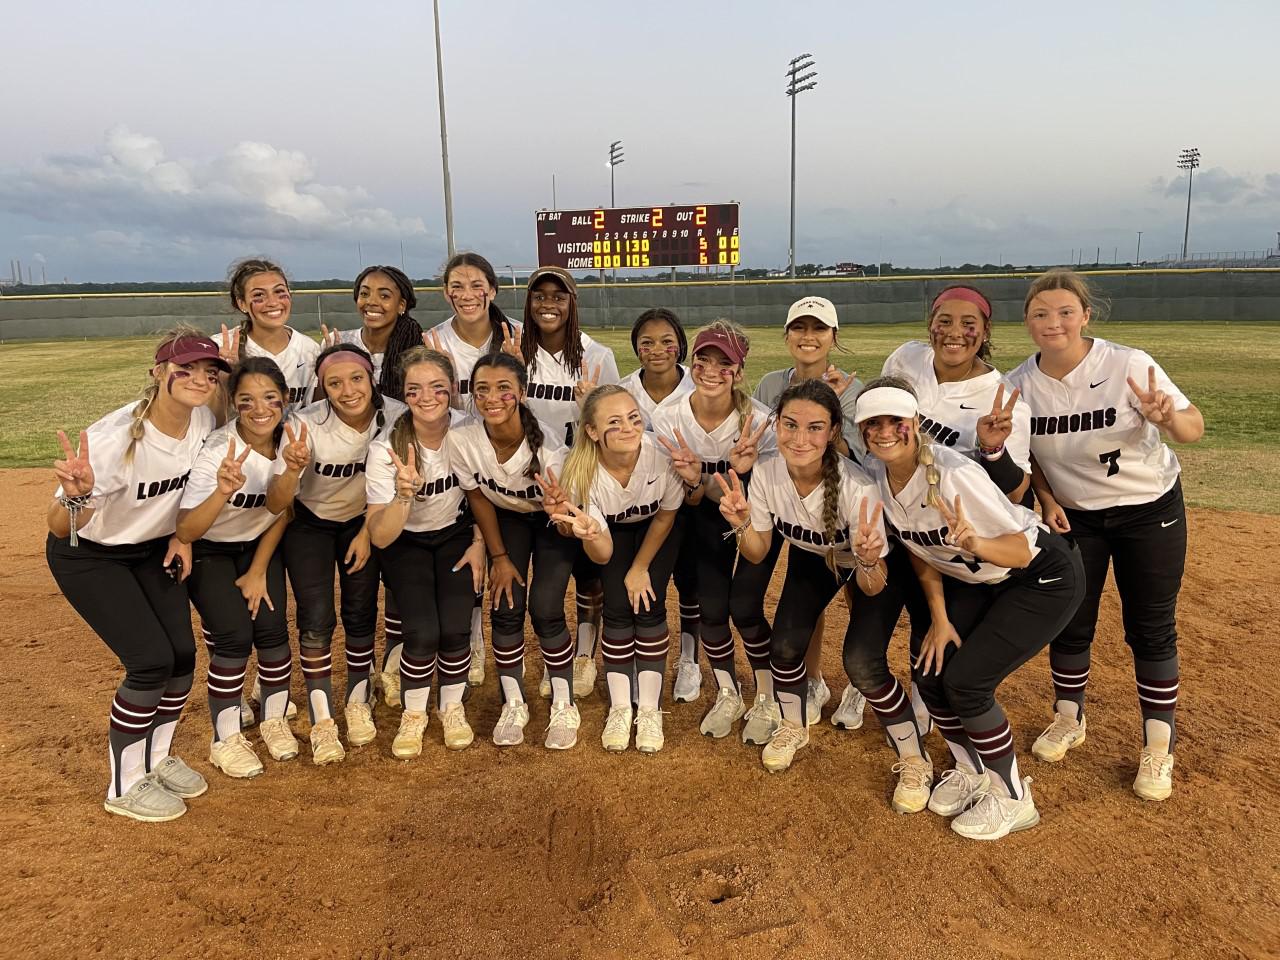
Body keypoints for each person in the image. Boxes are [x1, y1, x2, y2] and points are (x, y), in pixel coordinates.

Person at [856, 377, 1085, 840]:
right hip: (977, 580)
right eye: (872, 423)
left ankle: (1013, 797)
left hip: (1040, 577)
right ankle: (971, 768)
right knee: (929, 673)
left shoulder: (954, 473)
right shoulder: (880, 477)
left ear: (915, 424)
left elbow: (1022, 551)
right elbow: (923, 553)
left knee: (968, 682)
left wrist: (975, 541)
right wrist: (939, 619)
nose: (884, 432)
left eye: (895, 421)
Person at [1006, 269, 1204, 801]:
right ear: (1027, 322)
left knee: (1151, 625)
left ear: (1086, 315)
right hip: (1077, 516)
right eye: (1041, 313)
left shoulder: (1127, 363)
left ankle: (1157, 748)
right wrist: (1045, 498)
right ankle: (1069, 718)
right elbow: (1026, 458)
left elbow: (1193, 427)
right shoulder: (1017, 385)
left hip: (1148, 508)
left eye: (1066, 311)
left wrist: (1167, 419)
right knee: (1071, 620)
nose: (1054, 322)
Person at [46, 329, 226, 821]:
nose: (197, 379)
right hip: (89, 554)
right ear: (159, 371)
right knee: (149, 661)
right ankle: (124, 787)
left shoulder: (203, 419)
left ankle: (158, 757)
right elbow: (60, 527)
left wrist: (182, 538)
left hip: (150, 550)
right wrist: (77, 493)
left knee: (182, 656)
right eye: (185, 368)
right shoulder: (114, 439)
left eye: (208, 372)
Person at [715, 379, 894, 778]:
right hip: (815, 559)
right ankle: (793, 727)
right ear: (776, 424)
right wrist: (742, 522)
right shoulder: (765, 472)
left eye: (815, 428)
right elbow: (758, 551)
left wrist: (865, 562)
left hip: (868, 566)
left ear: (833, 433)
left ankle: (900, 735)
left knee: (864, 660)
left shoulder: (857, 487)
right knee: (784, 647)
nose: (800, 438)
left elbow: (875, 582)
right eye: (790, 424)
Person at [881, 283, 1033, 738]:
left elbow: (1015, 492)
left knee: (941, 621)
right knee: (911, 603)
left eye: (970, 324)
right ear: (930, 324)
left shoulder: (1002, 396)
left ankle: (929, 698)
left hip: (958, 534)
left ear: (985, 332)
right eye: (944, 320)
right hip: (901, 512)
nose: (955, 332)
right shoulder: (905, 360)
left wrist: (992, 448)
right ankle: (916, 690)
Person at [265, 342, 405, 765]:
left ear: (372, 377)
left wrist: (365, 532)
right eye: (334, 383)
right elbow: (278, 501)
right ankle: (322, 717)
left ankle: (357, 700)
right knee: (316, 615)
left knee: (361, 610)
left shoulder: (396, 416)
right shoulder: (304, 424)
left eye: (356, 378)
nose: (347, 391)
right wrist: (291, 468)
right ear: (322, 387)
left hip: (365, 521)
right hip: (310, 523)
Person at [652, 321, 778, 741]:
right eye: (703, 359)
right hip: (703, 515)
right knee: (711, 607)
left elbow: (775, 485)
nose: (711, 370)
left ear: (739, 372)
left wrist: (748, 469)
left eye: (724, 363)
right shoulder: (668, 416)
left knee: (745, 606)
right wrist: (694, 483)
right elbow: (685, 494)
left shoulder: (760, 421)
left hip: (757, 517)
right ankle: (729, 690)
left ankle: (767, 694)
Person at [446, 352, 578, 749]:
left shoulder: (550, 448)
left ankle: (564, 703)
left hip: (552, 521)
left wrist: (560, 514)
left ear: (521, 392)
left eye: (504, 388)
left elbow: (566, 512)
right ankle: (513, 701)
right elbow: (479, 499)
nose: (492, 398)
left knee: (546, 608)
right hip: (506, 521)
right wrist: (499, 557)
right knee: (505, 607)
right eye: (481, 389)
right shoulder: (463, 438)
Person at [176, 357, 294, 778]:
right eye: (246, 401)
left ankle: (274, 719)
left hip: (258, 547)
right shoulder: (218, 451)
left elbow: (282, 511)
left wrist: (260, 568)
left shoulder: (292, 439)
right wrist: (223, 491)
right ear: (233, 404)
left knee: (273, 631)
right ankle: (224, 739)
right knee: (233, 638)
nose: (260, 409)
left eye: (269, 398)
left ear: (285, 399)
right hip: (211, 549)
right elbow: (187, 529)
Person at [366, 347, 485, 758]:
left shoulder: (471, 430)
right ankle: (414, 714)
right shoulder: (387, 447)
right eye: (414, 390)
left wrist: (480, 544)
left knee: (454, 627)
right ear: (404, 393)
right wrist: (403, 496)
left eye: (437, 387)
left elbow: (486, 496)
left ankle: (450, 706)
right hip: (405, 541)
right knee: (420, 631)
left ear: (452, 388)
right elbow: (380, 537)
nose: (426, 397)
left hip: (455, 536)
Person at [753, 296, 865, 729]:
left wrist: (831, 408)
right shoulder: (768, 385)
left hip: (841, 508)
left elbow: (858, 459)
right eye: (799, 328)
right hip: (787, 499)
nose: (808, 337)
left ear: (833, 337)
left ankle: (858, 684)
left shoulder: (853, 390)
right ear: (786, 336)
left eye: (818, 329)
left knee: (859, 595)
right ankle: (814, 679)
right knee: (806, 594)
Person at [553, 384, 685, 753]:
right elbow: (602, 554)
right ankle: (621, 707)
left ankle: (649, 708)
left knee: (648, 604)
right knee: (616, 607)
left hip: (656, 529)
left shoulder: (661, 453)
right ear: (592, 432)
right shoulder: (581, 470)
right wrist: (591, 534)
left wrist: (640, 567)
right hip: (611, 534)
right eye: (614, 422)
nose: (628, 428)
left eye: (633, 418)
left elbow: (667, 516)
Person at [423, 252, 523, 688]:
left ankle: (486, 641)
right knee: (467, 553)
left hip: (505, 462)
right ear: (446, 292)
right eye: (457, 286)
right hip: (456, 459)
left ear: (493, 290)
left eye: (476, 284)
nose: (467, 294)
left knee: (492, 547)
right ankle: (474, 640)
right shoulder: (433, 341)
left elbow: (520, 405)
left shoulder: (515, 336)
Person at [519, 266, 620, 699]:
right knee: (544, 587)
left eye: (558, 296)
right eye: (539, 295)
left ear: (572, 303)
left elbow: (613, 426)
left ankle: (583, 658)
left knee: (588, 577)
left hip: (578, 484)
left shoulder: (597, 356)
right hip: (524, 486)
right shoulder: (514, 353)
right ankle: (556, 657)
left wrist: (588, 408)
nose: (548, 304)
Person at [618, 308, 701, 703]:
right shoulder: (622, 390)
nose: (657, 349)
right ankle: (635, 664)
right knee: (641, 584)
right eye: (646, 341)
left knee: (690, 582)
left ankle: (689, 660)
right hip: (641, 506)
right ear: (636, 348)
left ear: (680, 345)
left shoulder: (698, 387)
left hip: (692, 501)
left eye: (667, 340)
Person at [227, 257, 319, 407]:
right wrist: (226, 377)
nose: (273, 302)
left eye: (279, 291)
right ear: (242, 303)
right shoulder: (223, 348)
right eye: (259, 295)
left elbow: (315, 411)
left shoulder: (310, 349)